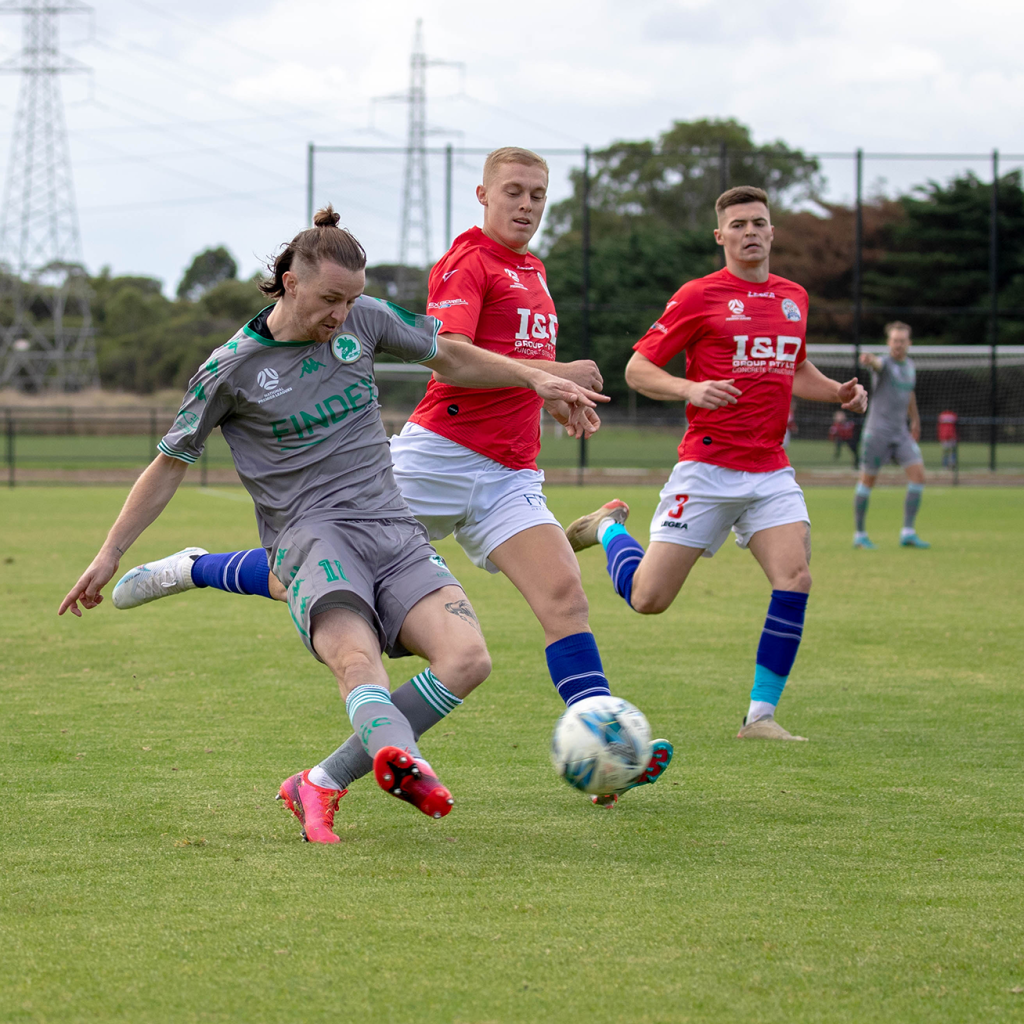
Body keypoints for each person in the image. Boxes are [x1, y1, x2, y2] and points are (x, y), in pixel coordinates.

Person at [106, 148, 673, 810]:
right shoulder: (469, 262)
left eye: (539, 195)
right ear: (483, 195)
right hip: (438, 454)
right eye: (513, 191)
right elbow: (450, 356)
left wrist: (541, 383)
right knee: (321, 565)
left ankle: (601, 742)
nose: (526, 205)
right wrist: (539, 374)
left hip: (509, 468)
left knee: (564, 598)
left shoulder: (535, 271)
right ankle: (195, 568)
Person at [564, 186, 868, 742]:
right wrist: (691, 387)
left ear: (772, 232)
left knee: (795, 576)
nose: (750, 231)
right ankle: (608, 528)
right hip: (706, 470)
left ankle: (760, 717)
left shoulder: (794, 297)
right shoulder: (699, 296)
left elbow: (794, 367)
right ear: (721, 236)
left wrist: (838, 393)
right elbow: (637, 370)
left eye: (759, 222)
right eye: (739, 224)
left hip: (771, 469)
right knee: (648, 599)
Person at [853, 322, 929, 549]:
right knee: (868, 481)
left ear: (909, 343)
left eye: (902, 341)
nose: (898, 344)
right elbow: (876, 365)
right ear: (889, 343)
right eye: (894, 340)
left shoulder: (910, 366)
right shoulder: (884, 363)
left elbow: (909, 393)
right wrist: (870, 361)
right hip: (877, 432)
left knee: (918, 476)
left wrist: (914, 418)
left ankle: (908, 532)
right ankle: (860, 535)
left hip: (901, 432)